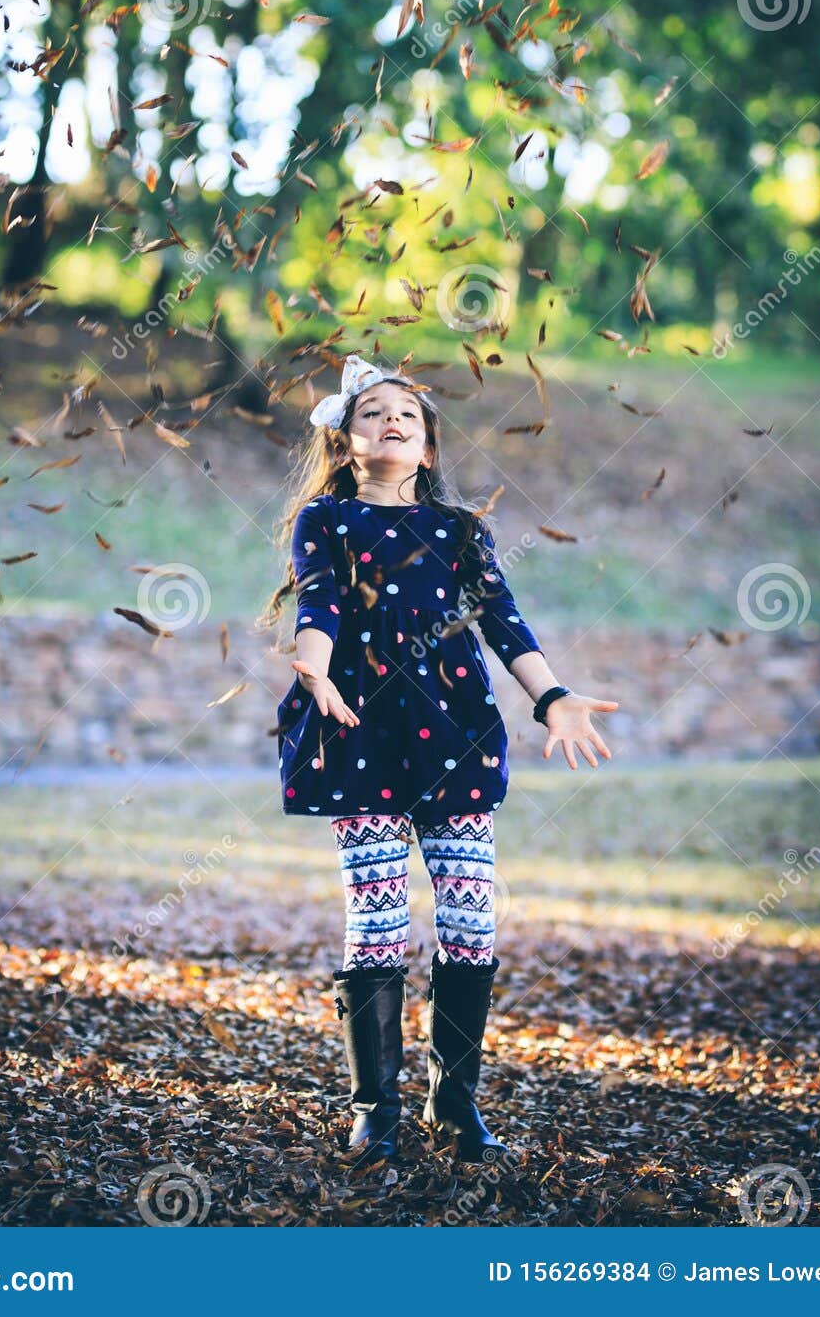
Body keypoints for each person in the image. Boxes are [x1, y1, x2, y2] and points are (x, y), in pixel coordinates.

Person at [258, 353, 619, 1169]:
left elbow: (504, 621)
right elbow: (317, 601)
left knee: (470, 921)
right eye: (371, 412)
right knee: (376, 924)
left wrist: (552, 696)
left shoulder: (460, 531)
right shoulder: (325, 519)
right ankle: (374, 1112)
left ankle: (454, 1106)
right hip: (359, 732)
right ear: (344, 441)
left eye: (406, 415)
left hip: (455, 737)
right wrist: (312, 666)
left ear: (426, 448)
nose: (390, 420)